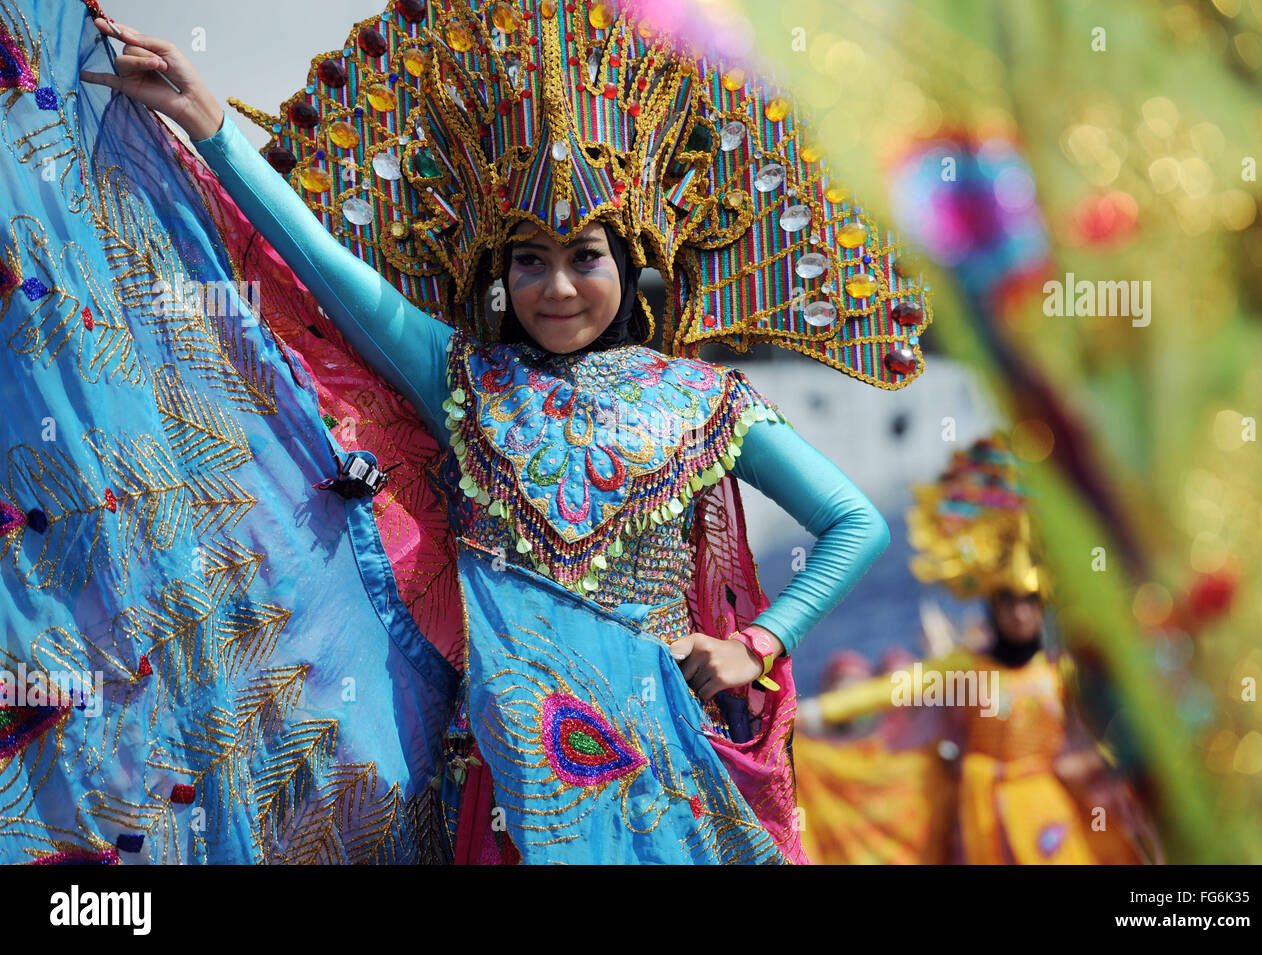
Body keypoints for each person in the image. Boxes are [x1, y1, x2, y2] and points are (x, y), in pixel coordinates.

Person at [79, 1, 931, 863]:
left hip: (668, 776)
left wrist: (756, 642)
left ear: (630, 261)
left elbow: (854, 521)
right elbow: (319, 265)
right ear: (501, 270)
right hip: (502, 780)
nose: (557, 286)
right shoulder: (463, 381)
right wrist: (211, 124)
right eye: (531, 259)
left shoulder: (703, 398)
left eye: (585, 256)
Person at [796, 436, 1161, 864]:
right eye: (1009, 602)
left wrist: (1086, 765)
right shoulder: (966, 671)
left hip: (1048, 809)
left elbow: (1123, 731)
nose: (1020, 615)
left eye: (1029, 603)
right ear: (993, 605)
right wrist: (812, 714)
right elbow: (893, 690)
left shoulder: (1058, 672)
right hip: (982, 815)